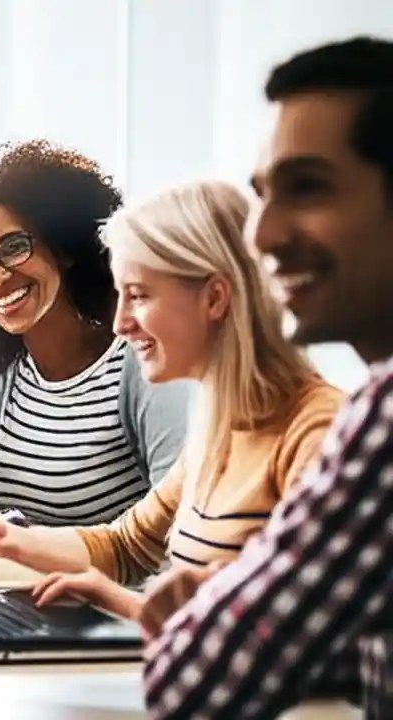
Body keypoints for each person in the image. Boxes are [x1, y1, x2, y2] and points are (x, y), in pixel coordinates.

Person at [0, 179, 343, 622]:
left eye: (138, 295)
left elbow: (294, 623)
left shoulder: (321, 435)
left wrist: (130, 607)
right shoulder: (226, 426)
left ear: (214, 298)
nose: (120, 324)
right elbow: (127, 546)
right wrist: (10, 539)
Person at [137, 37, 393, 718]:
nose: (263, 236)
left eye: (308, 188)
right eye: (261, 196)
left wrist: (226, 606)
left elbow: (194, 686)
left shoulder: (380, 417)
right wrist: (236, 593)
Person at [0, 140, 193, 525]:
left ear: (65, 247)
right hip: (11, 565)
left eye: (14, 247)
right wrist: (7, 539)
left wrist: (31, 544)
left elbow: (174, 517)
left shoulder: (147, 362)